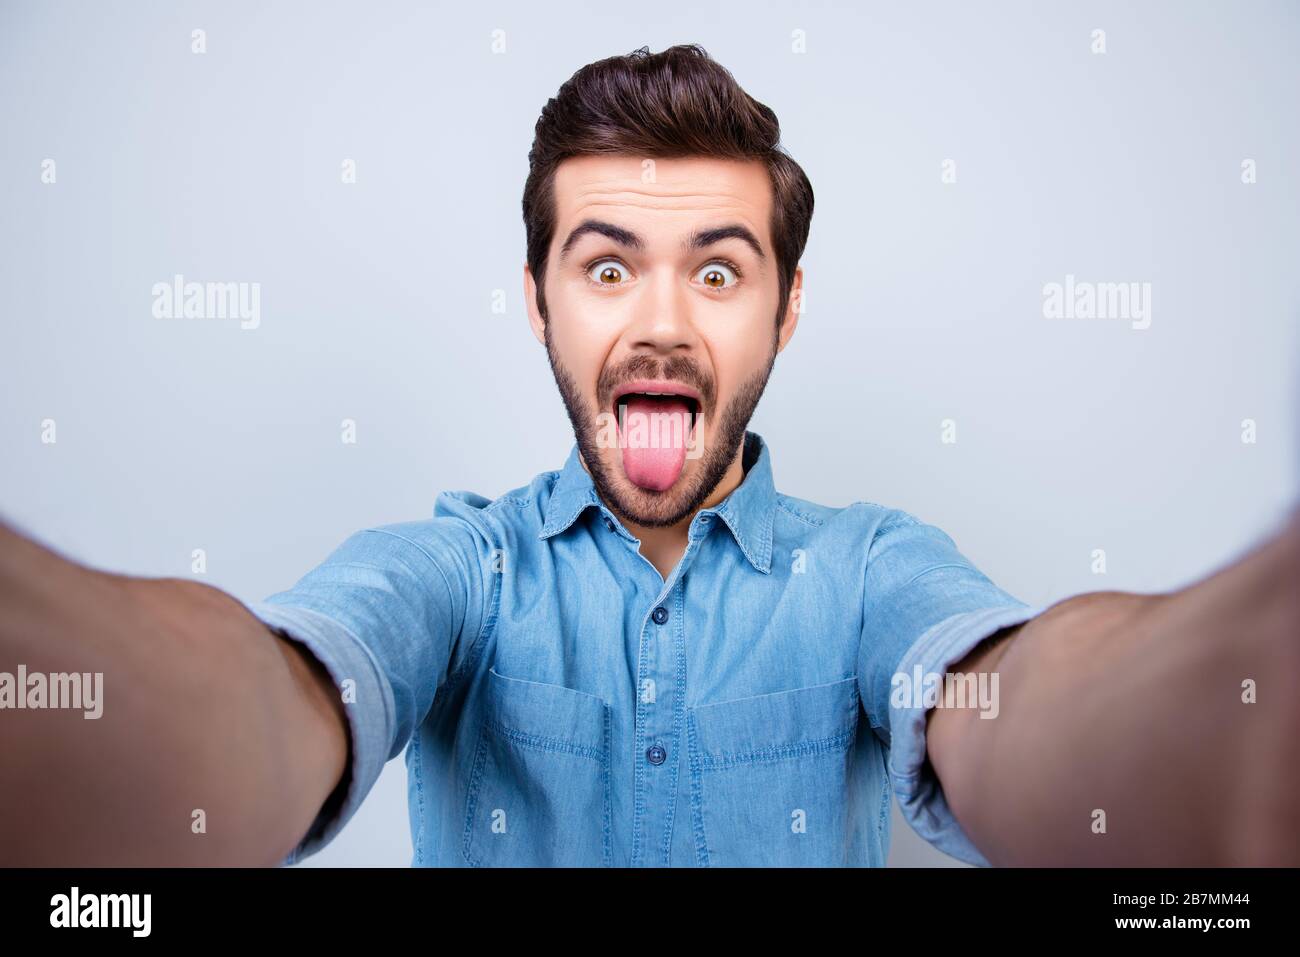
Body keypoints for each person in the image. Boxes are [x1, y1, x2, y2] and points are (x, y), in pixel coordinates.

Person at [2, 44, 1297, 867]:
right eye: (608, 265)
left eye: (719, 270)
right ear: (539, 301)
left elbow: (1022, 698)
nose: (663, 321)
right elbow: (261, 690)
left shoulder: (871, 568)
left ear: (785, 310)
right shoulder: (466, 569)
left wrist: (1231, 705)